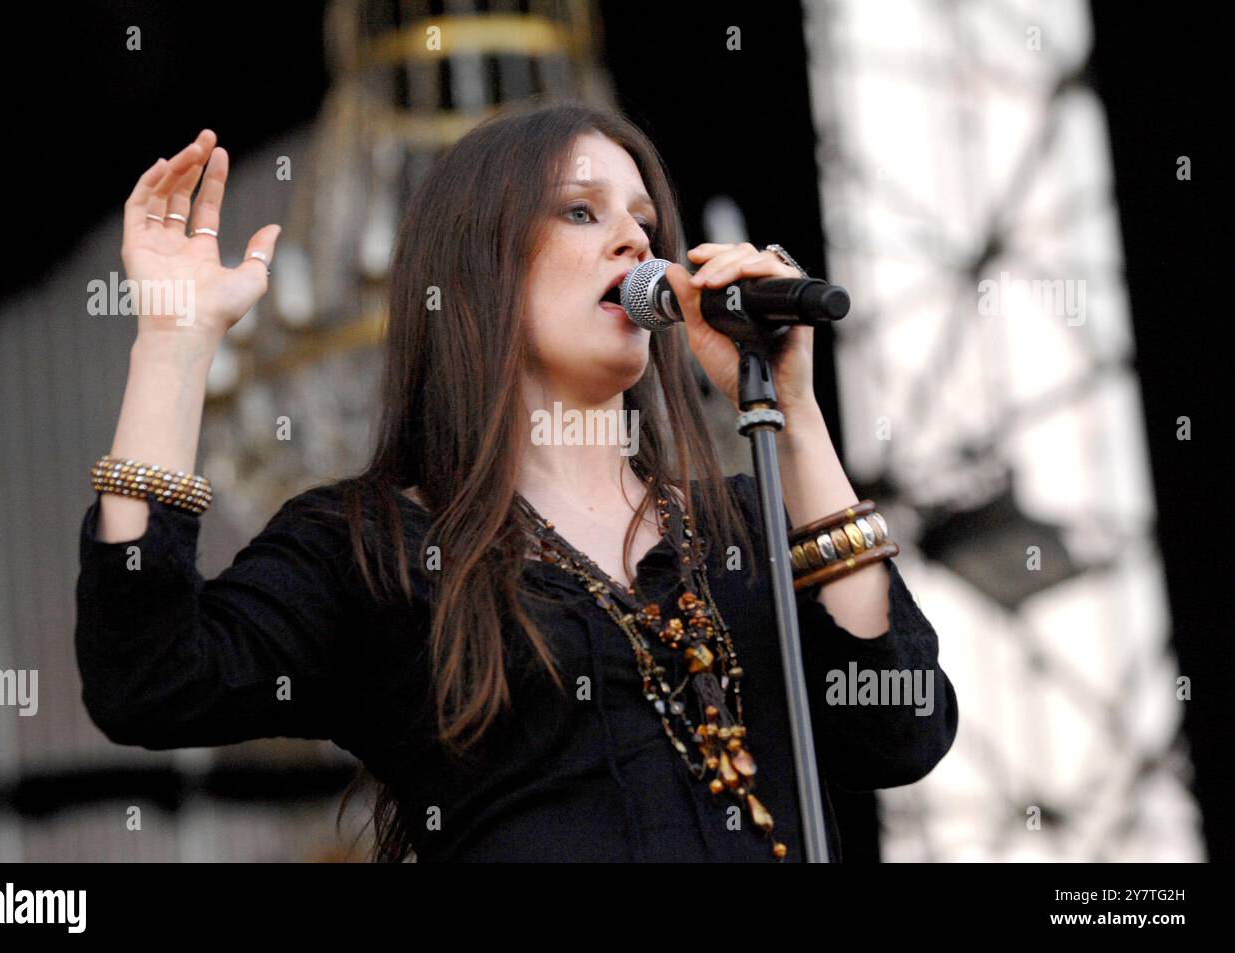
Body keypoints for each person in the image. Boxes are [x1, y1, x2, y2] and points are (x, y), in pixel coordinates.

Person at [76, 100, 958, 863]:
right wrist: (175, 343)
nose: (635, 238)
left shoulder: (746, 518)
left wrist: (793, 410)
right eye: (580, 210)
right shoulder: (377, 545)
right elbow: (150, 677)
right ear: (477, 270)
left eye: (644, 219)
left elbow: (903, 724)